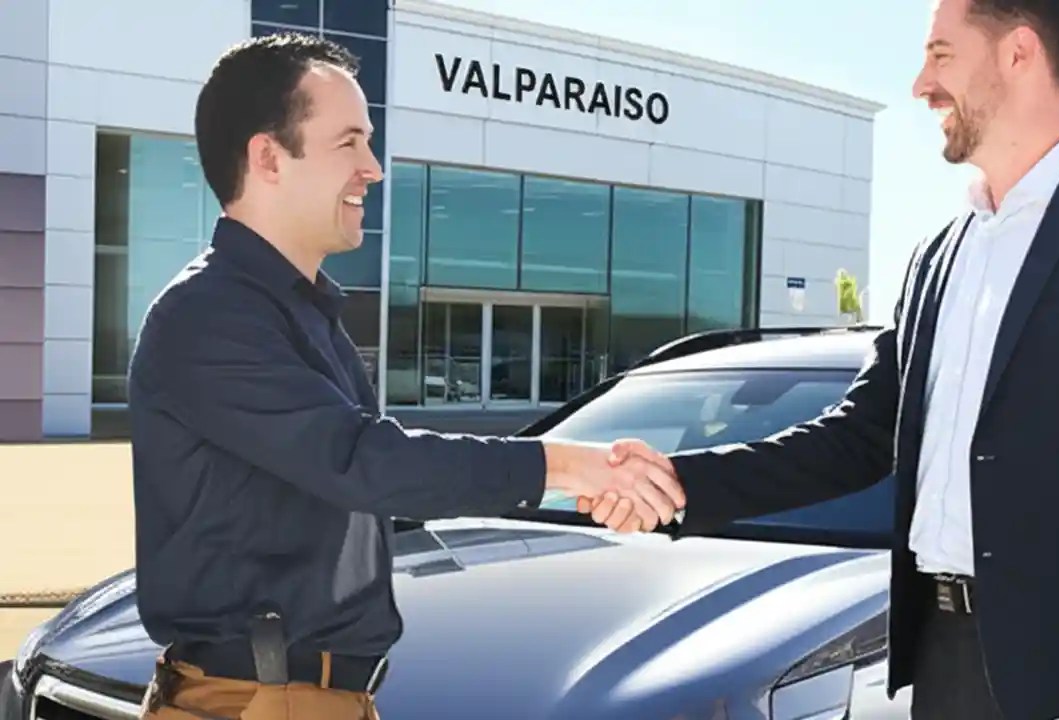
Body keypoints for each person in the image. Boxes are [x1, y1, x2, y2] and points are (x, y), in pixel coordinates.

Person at [589, 0, 1059, 718]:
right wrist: (679, 481)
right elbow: (858, 438)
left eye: (941, 55)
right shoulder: (938, 256)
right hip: (941, 662)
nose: (920, 86)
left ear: (1019, 53)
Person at [126, 33, 682, 720]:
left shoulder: (302, 314)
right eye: (349, 143)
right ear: (268, 157)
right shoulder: (210, 316)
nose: (374, 169)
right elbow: (364, 462)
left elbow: (366, 494)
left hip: (306, 697)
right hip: (258, 701)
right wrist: (567, 466)